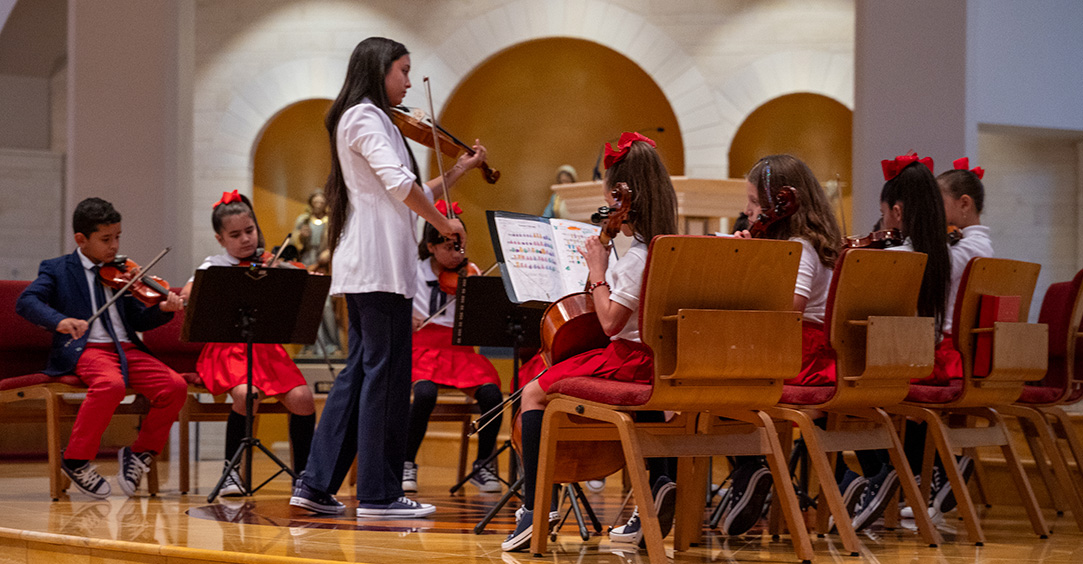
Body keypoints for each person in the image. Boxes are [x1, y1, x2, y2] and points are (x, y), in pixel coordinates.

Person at [288, 36, 484, 518]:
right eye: (403, 70)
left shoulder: (376, 121)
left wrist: (456, 172)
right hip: (376, 265)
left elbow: (406, 188)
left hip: (379, 266)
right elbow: (400, 187)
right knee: (385, 375)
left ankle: (316, 483)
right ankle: (378, 494)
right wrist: (444, 224)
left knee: (364, 371)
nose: (410, 80)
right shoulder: (364, 117)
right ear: (380, 70)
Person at [503, 132, 679, 552]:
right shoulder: (665, 247)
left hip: (631, 362)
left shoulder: (636, 258)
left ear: (625, 195)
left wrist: (598, 268)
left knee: (532, 392)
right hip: (663, 362)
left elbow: (611, 322)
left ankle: (534, 509)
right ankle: (658, 489)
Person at [15, 197, 187, 499]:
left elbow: (138, 320)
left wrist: (163, 309)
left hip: (125, 349)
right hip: (87, 349)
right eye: (106, 239)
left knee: (174, 386)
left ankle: (140, 452)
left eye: (118, 237)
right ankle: (76, 459)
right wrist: (61, 320)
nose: (114, 246)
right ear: (81, 239)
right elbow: (26, 302)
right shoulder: (57, 269)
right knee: (110, 385)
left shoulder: (121, 271)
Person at [723, 155, 848, 537]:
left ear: (779, 202)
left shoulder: (798, 248)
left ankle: (749, 471)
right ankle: (755, 474)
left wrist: (744, 267)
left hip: (799, 358)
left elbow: (784, 316)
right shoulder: (820, 243)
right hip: (816, 355)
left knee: (714, 380)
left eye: (754, 202)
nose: (747, 211)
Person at [179, 190, 318, 498]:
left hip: (266, 350)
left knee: (303, 398)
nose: (245, 239)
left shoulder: (270, 263)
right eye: (235, 235)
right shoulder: (215, 265)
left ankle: (305, 474)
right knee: (247, 394)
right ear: (220, 239)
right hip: (227, 350)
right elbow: (192, 290)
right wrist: (186, 295)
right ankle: (231, 472)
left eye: (250, 231)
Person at [848, 154, 954, 531]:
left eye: (884, 212)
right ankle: (915, 472)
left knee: (845, 392)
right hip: (931, 361)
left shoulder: (894, 259)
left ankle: (879, 474)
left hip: (895, 370)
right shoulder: (948, 256)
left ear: (895, 210)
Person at [403, 210, 504, 493]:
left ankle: (483, 464)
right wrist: (407, 318)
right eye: (449, 247)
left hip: (460, 348)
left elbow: (483, 319)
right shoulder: (413, 271)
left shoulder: (470, 274)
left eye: (461, 246)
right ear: (431, 246)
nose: (457, 254)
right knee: (424, 393)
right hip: (424, 345)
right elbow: (396, 306)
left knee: (493, 395)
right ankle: (406, 462)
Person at [293, 190, 342, 357]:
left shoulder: (331, 221)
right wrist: (301, 236)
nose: (319, 205)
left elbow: (338, 241)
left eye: (322, 202)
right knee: (307, 305)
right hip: (307, 263)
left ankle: (332, 344)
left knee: (326, 306)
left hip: (324, 267)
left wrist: (329, 252)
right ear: (311, 203)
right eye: (316, 202)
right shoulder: (303, 220)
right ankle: (310, 346)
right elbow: (294, 243)